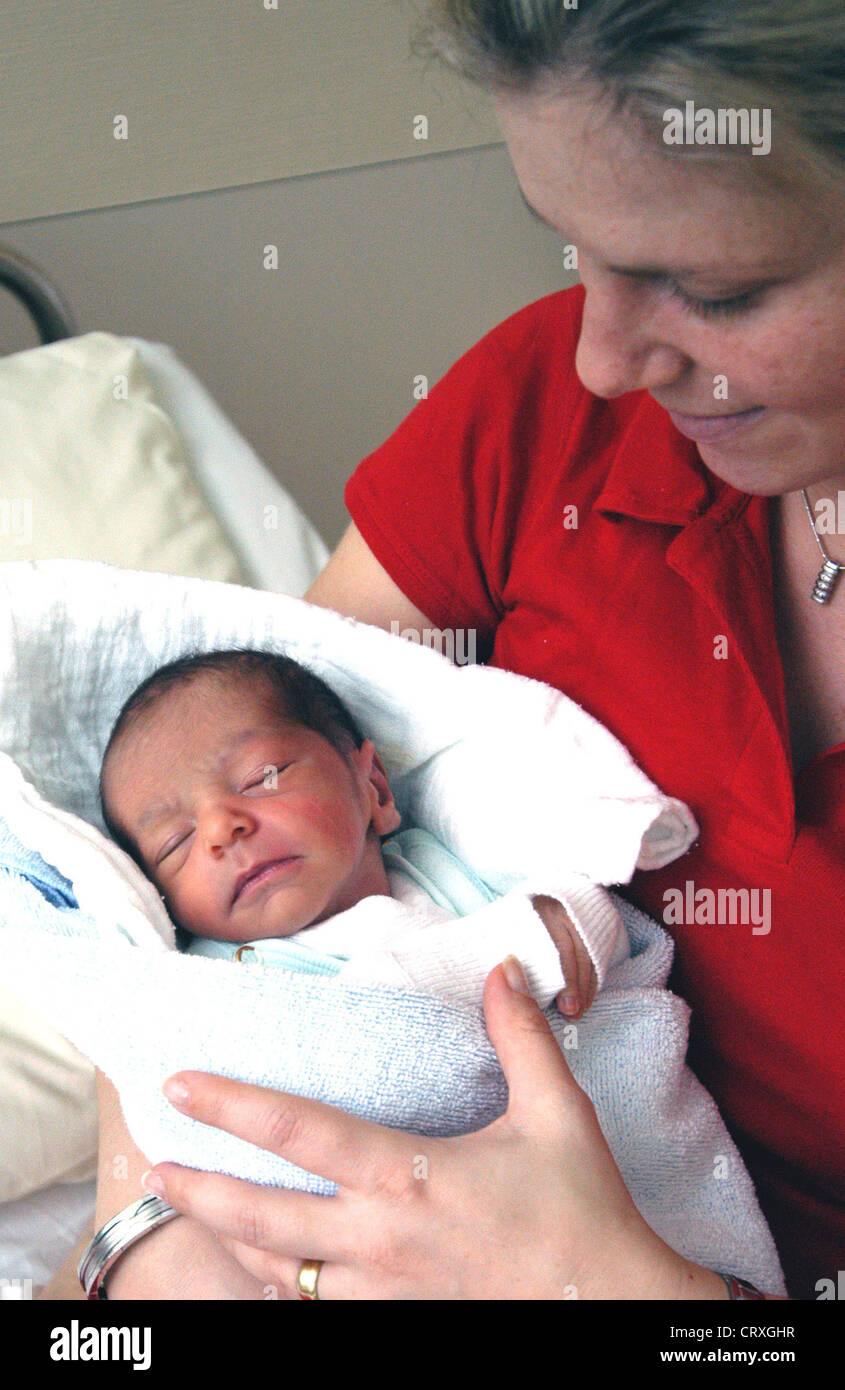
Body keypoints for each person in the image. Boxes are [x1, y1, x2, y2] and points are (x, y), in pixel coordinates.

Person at [95, 0, 844, 1300]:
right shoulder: (540, 419)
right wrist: (146, 1235)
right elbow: (213, 781)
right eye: (573, 251)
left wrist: (617, 1285)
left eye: (716, 290)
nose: (605, 359)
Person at [98, 645, 608, 1009]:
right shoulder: (216, 986)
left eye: (260, 778)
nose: (219, 829)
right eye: (175, 842)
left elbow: (595, 918)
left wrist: (565, 916)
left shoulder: (448, 868)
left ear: (375, 791)